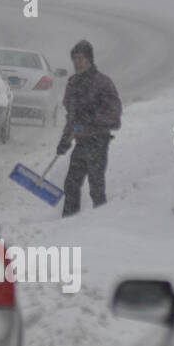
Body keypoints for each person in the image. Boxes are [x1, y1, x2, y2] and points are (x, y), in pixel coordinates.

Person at [56, 40, 121, 217]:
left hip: (98, 142)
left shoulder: (103, 83)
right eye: (74, 58)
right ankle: (69, 221)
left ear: (89, 60)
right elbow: (71, 117)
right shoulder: (72, 83)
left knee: (96, 186)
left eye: (81, 58)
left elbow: (115, 116)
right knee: (71, 184)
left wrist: (92, 118)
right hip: (81, 143)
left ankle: (100, 222)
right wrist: (65, 139)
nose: (77, 62)